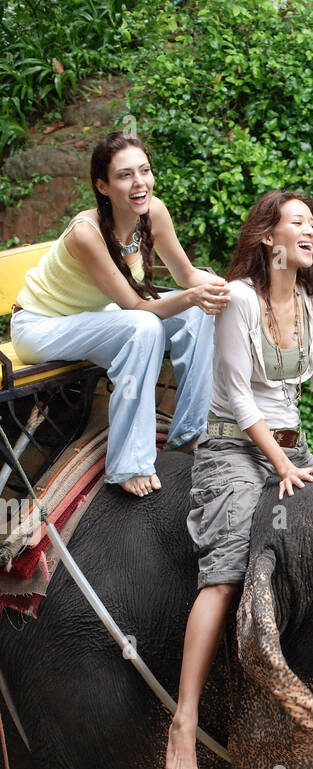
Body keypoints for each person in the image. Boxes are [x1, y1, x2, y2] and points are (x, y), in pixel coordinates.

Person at [165, 190, 313, 769]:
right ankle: (185, 718)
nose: (310, 230)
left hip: (290, 448)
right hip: (232, 447)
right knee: (224, 575)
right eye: (298, 221)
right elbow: (239, 397)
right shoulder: (239, 300)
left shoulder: (312, 305)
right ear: (269, 237)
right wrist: (281, 468)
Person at [11, 132, 230, 496]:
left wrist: (230, 291)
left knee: (198, 315)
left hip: (97, 317)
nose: (139, 182)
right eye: (125, 175)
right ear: (103, 185)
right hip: (40, 328)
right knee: (143, 326)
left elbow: (189, 275)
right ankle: (128, 463)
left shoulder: (154, 212)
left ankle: (191, 433)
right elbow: (137, 308)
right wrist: (192, 295)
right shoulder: (86, 233)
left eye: (144, 170)